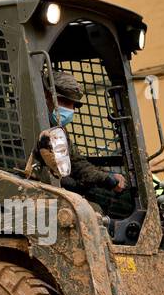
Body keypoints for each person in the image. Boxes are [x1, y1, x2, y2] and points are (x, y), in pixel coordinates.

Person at [43, 71, 127, 200]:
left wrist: (105, 176)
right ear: (46, 96)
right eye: (65, 101)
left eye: (74, 105)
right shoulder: (27, 125)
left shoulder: (57, 130)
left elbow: (75, 162)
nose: (71, 109)